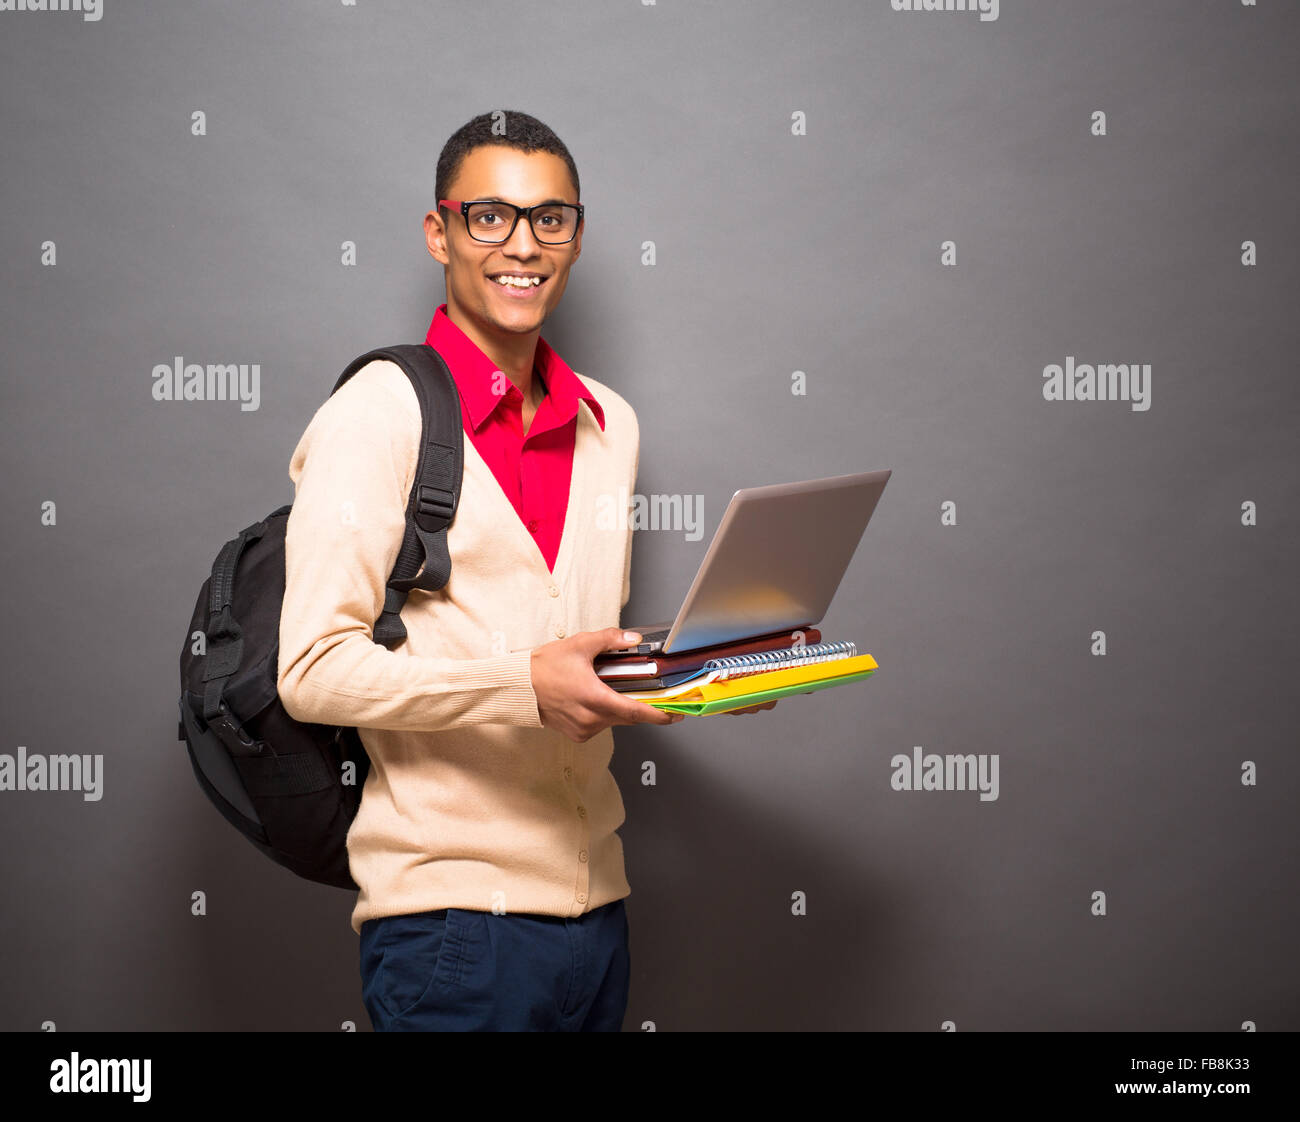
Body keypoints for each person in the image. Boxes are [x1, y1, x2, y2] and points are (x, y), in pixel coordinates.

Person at [276, 110, 774, 1032]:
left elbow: (577, 662)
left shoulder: (609, 423)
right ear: (440, 232)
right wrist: (521, 686)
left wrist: (710, 678)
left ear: (576, 236)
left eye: (552, 218)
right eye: (489, 216)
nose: (524, 245)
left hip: (597, 918)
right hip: (451, 927)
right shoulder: (376, 414)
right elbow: (310, 672)